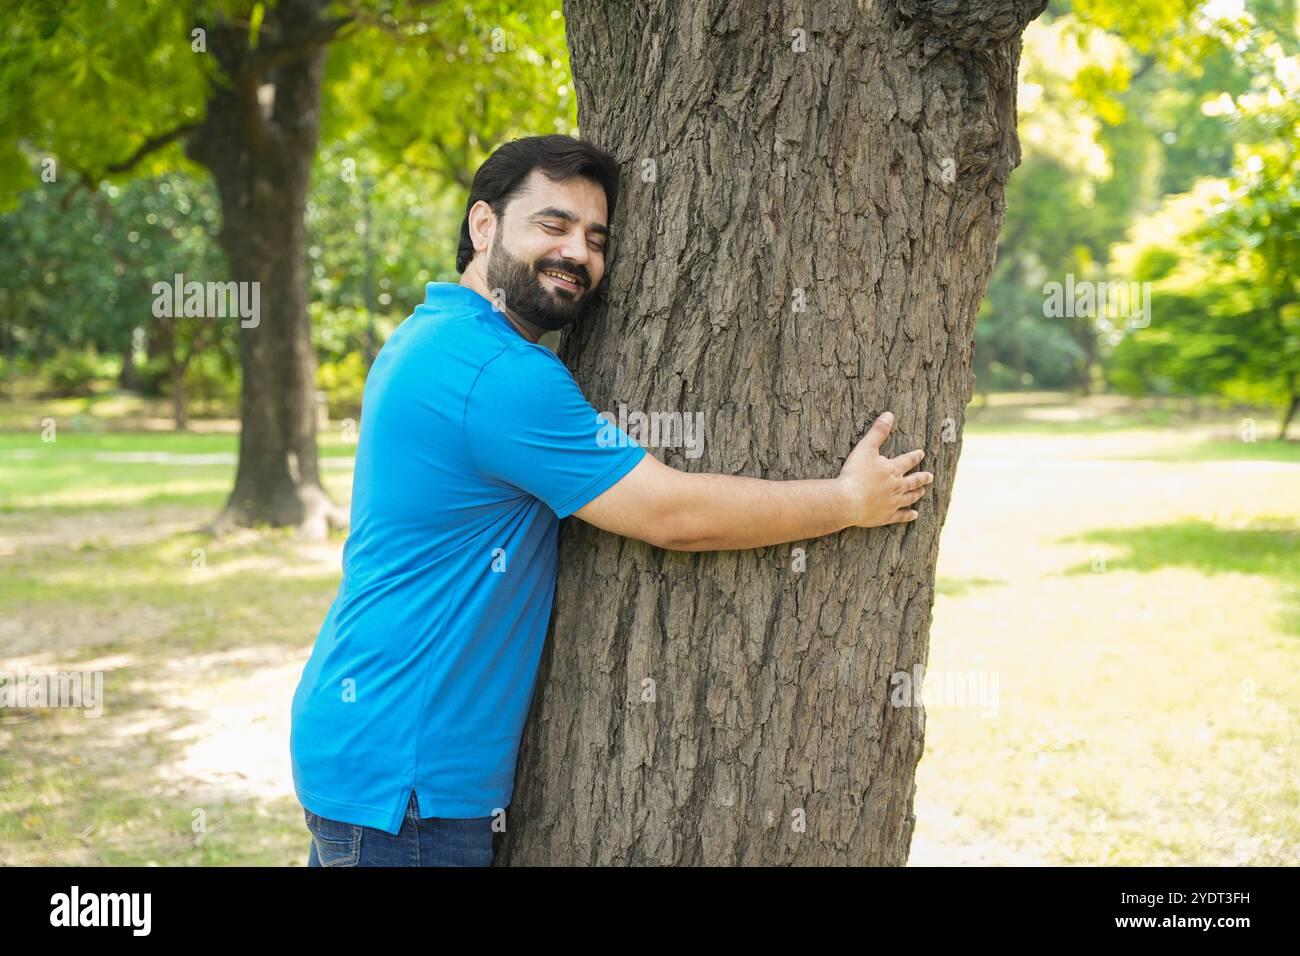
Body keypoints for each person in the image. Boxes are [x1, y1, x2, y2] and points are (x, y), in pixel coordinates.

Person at [290, 134, 933, 866]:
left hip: (366, 750)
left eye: (596, 238)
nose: (579, 254)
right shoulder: (497, 374)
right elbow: (672, 515)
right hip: (406, 784)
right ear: (483, 227)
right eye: (553, 224)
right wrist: (847, 501)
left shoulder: (428, 334)